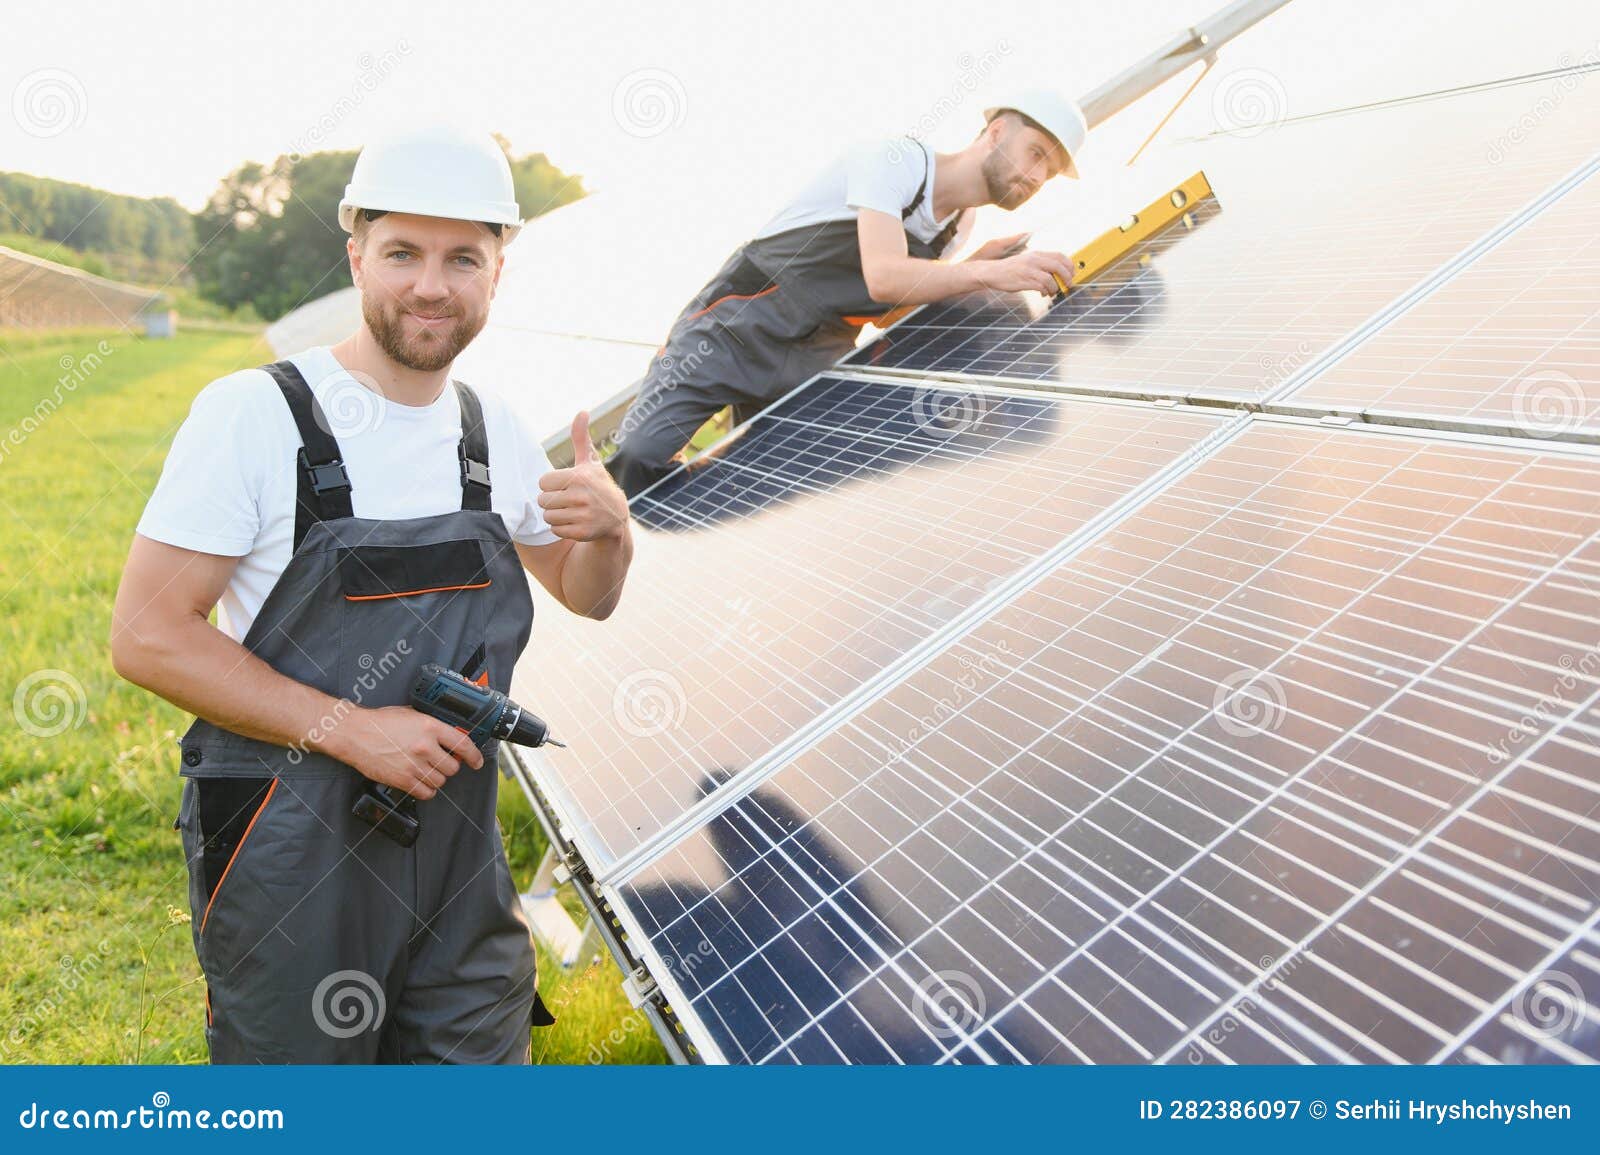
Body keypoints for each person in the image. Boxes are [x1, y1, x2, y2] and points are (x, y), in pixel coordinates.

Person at [109, 124, 633, 1064]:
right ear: (356, 256)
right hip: (291, 844)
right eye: (403, 253)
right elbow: (147, 636)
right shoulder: (256, 416)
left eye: (461, 257)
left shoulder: (493, 430)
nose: (431, 284)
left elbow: (586, 596)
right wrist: (351, 728)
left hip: (457, 849)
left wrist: (613, 532)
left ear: (497, 273)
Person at [602, 88, 1089, 497]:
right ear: (997, 132)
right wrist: (986, 276)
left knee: (766, 491)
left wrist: (976, 265)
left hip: (817, 356)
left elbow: (890, 312)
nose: (1037, 176)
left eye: (1051, 170)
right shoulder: (896, 161)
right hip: (735, 328)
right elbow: (882, 275)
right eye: (1037, 152)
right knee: (636, 460)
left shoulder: (958, 227)